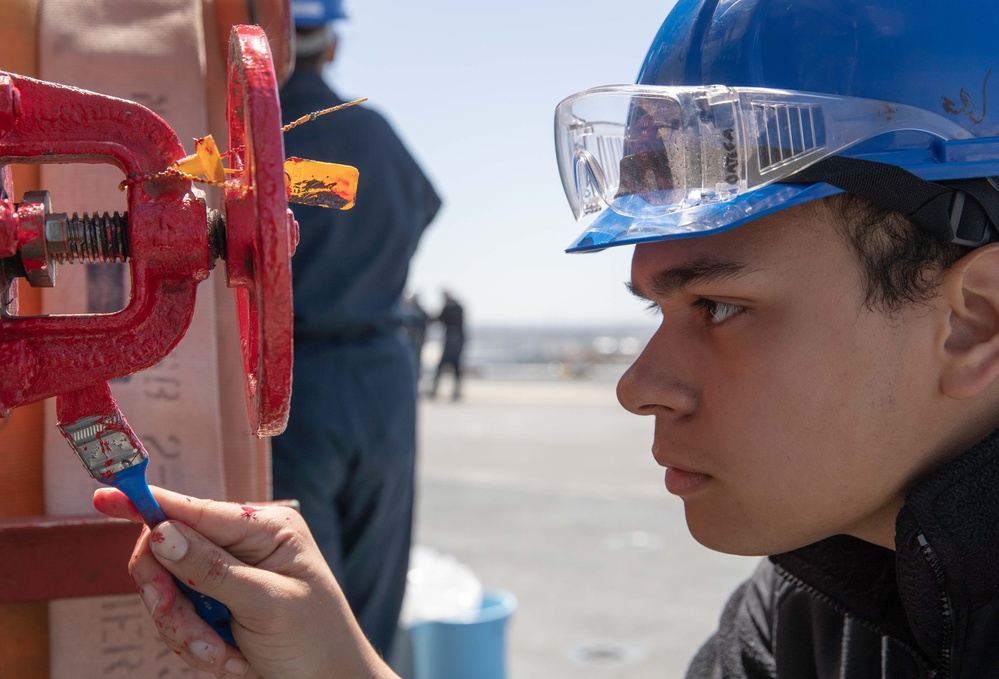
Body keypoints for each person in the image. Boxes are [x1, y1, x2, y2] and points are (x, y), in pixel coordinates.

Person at [95, 0, 999, 677]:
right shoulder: (820, 600)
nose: (635, 386)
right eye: (656, 309)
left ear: (973, 322)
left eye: (718, 306)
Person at [269, 0, 441, 659]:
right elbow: (423, 205)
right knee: (375, 580)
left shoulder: (257, 140)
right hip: (381, 371)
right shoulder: (373, 132)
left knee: (303, 584)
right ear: (331, 47)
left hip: (296, 378)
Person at [428, 289, 465, 401]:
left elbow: (440, 318)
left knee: (447, 365)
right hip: (454, 338)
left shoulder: (452, 307)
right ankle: (452, 391)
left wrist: (429, 319)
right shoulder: (456, 307)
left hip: (453, 339)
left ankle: (452, 391)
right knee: (454, 367)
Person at [399, 291, 429, 382]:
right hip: (410, 340)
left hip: (415, 340)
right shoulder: (409, 311)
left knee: (414, 362)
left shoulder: (416, 312)